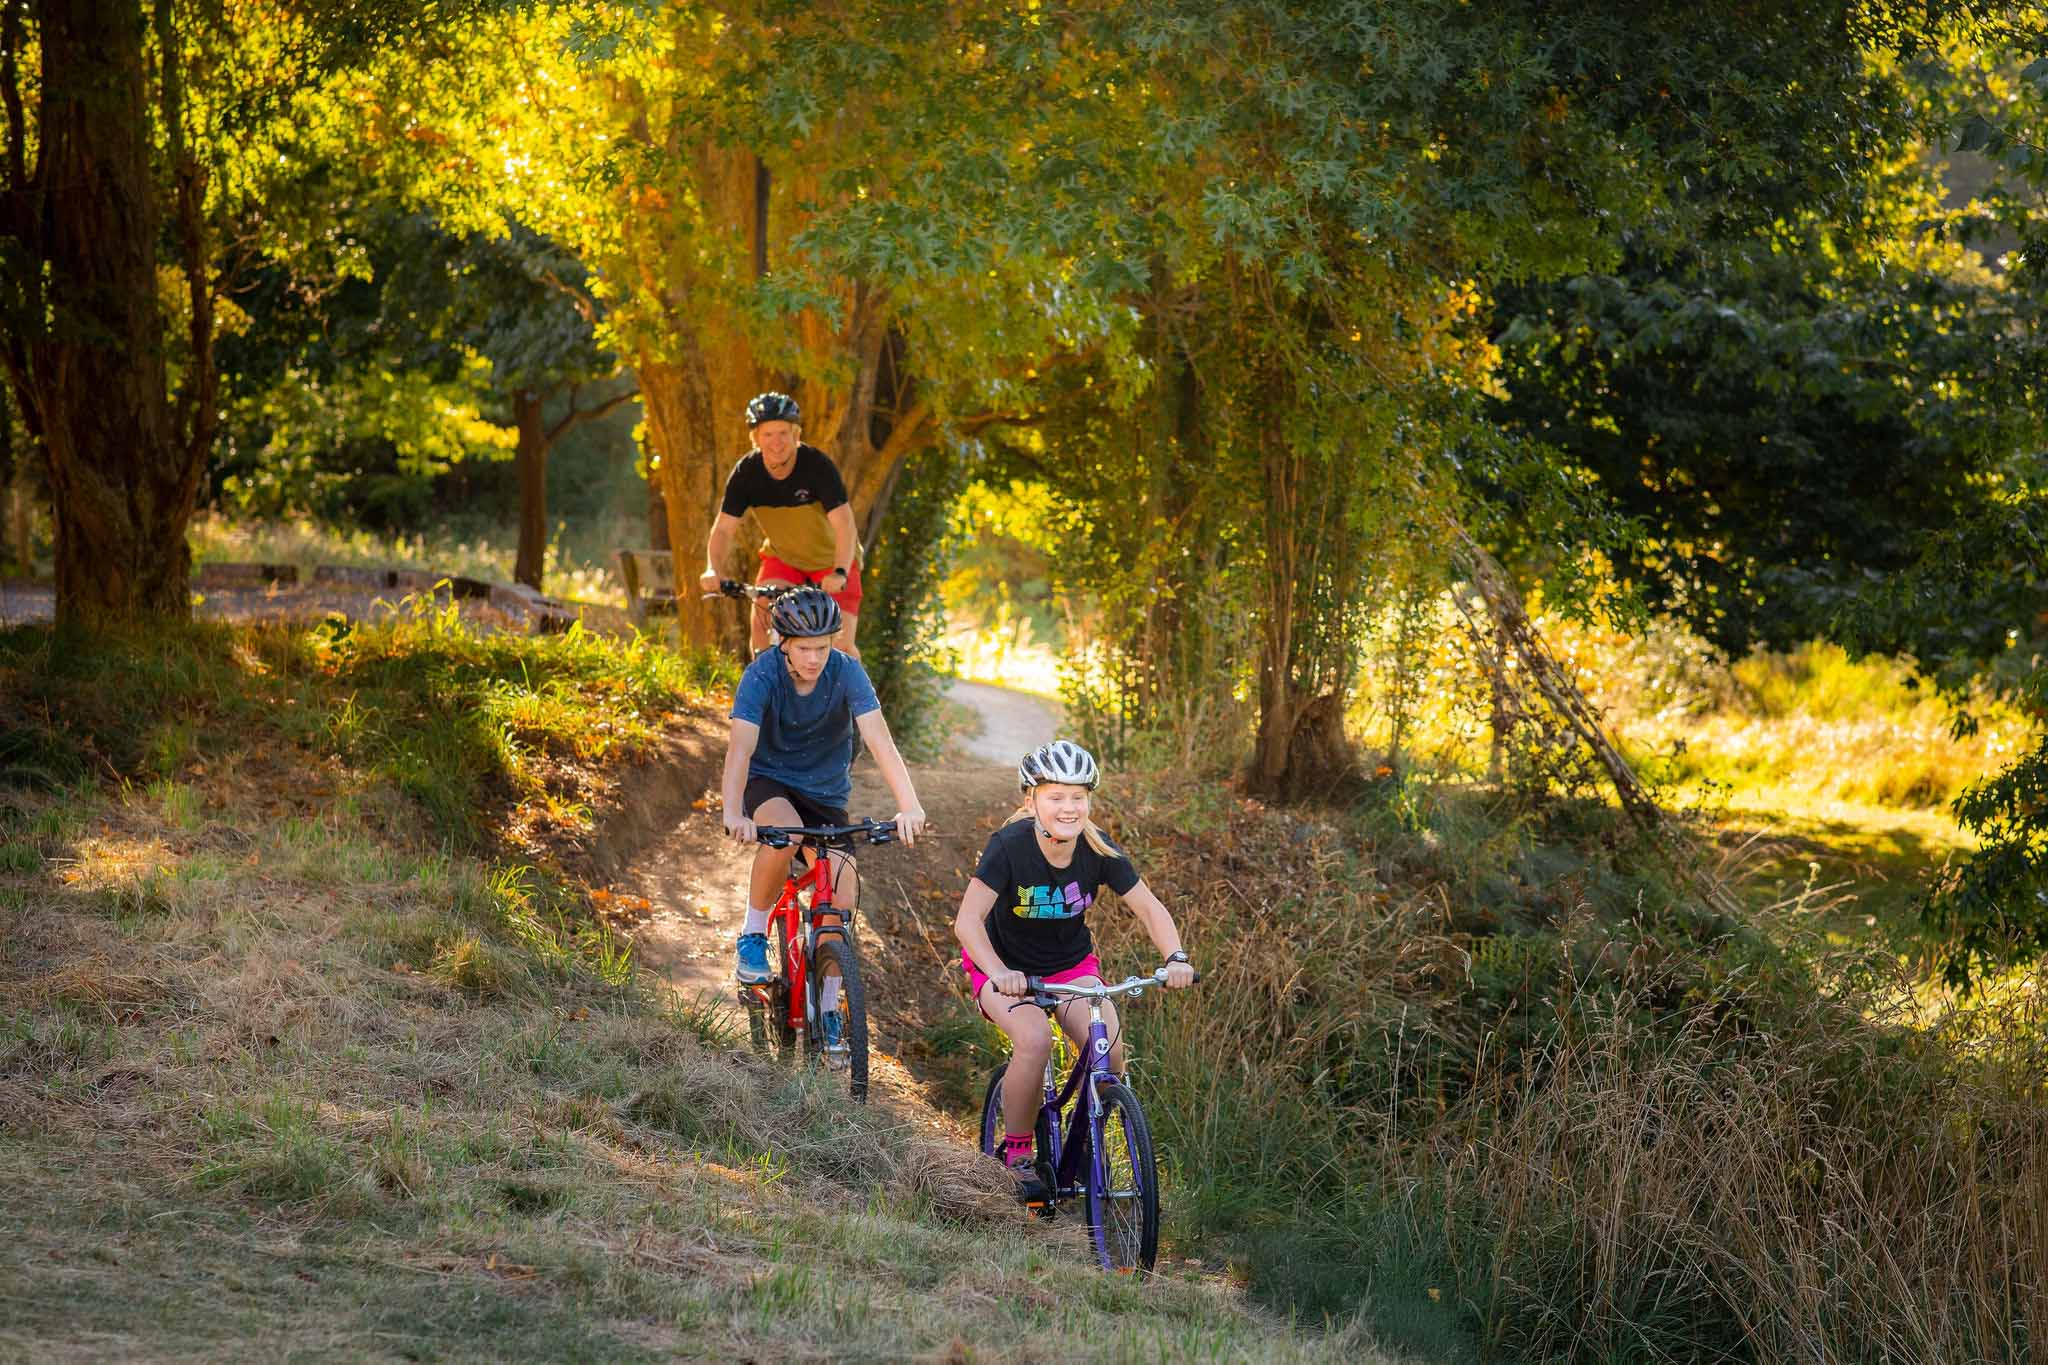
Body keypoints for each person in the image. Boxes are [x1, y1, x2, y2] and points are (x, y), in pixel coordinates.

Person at [952, 739, 1195, 1197]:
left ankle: (1083, 1145)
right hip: (1004, 967)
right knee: (1034, 1039)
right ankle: (1018, 1153)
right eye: (1056, 796)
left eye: (1078, 796)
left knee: (1110, 1052)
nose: (1069, 807)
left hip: (1069, 966)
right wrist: (999, 972)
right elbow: (966, 922)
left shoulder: (1098, 849)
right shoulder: (1009, 847)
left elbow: (1148, 907)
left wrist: (1175, 957)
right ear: (1032, 800)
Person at [721, 585, 925, 1054]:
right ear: (783, 643)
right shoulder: (762, 674)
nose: (814, 658)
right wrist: (734, 811)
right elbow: (740, 749)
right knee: (786, 834)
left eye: (823, 646)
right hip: (769, 782)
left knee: (842, 894)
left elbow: (880, 741)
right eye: (804, 648)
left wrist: (909, 805)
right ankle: (753, 934)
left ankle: (829, 1007)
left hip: (826, 794)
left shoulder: (848, 672)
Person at [698, 391, 864, 658]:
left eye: (783, 433)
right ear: (755, 438)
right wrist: (712, 569)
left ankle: (858, 699)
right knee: (762, 620)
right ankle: (767, 696)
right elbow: (724, 529)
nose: (776, 443)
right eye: (767, 434)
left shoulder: (816, 466)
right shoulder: (747, 473)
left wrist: (841, 572)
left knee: (841, 646)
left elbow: (844, 524)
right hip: (785, 560)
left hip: (833, 562)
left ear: (796, 434)